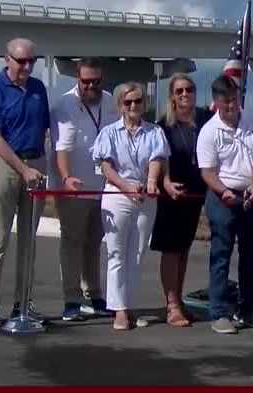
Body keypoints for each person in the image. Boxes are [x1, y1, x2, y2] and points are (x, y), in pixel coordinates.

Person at [0, 38, 50, 327]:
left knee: (28, 241)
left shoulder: (37, 89)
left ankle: (24, 302)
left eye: (32, 61)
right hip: (5, 166)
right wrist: (22, 169)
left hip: (35, 163)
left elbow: (44, 126)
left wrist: (39, 166)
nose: (27, 67)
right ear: (7, 59)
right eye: (21, 61)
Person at [92, 82, 169, 331]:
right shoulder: (109, 132)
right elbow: (106, 167)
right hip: (117, 194)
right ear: (120, 106)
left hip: (146, 195)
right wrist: (126, 187)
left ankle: (131, 306)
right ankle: (119, 311)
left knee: (137, 255)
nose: (133, 106)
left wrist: (150, 182)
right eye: (128, 102)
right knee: (117, 254)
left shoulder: (154, 131)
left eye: (137, 101)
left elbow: (157, 158)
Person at [50, 57, 118, 321]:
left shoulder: (110, 100)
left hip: (102, 187)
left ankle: (95, 294)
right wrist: (66, 177)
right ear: (77, 79)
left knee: (93, 243)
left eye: (96, 82)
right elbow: (62, 147)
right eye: (86, 81)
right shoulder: (65, 104)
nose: (91, 86)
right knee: (72, 242)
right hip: (73, 188)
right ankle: (72, 299)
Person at [197, 76, 253, 335]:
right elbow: (208, 172)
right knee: (221, 255)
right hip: (221, 198)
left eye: (234, 101)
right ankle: (218, 312)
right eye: (226, 102)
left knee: (250, 257)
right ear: (216, 102)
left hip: (251, 195)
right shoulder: (209, 132)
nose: (231, 107)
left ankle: (246, 309)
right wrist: (223, 191)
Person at [151, 74, 210, 327]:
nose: (185, 94)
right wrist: (164, 182)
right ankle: (171, 305)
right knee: (171, 249)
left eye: (189, 89)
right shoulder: (163, 126)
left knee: (184, 249)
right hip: (171, 194)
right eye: (179, 91)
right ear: (172, 96)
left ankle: (180, 300)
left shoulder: (205, 121)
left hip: (195, 195)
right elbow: (157, 159)